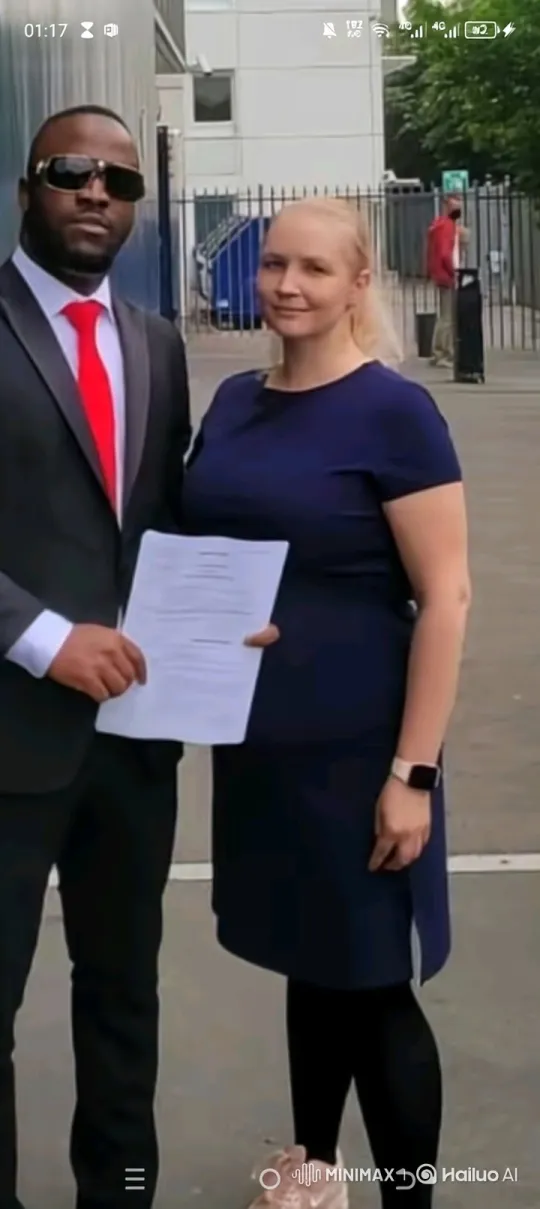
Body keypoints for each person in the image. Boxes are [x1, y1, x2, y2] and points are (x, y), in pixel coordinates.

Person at [0, 104, 276, 1209]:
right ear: (30, 184)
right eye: (73, 172)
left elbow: (156, 522)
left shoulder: (156, 340)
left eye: (120, 182)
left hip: (132, 742)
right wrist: (45, 639)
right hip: (11, 737)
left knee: (124, 993)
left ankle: (119, 1191)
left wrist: (223, 617)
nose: (97, 195)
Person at [182, 197, 471, 1208]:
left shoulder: (393, 410)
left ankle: (408, 1199)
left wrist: (412, 775)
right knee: (313, 963)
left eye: (312, 269)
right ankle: (313, 1171)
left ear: (358, 285)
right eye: (274, 266)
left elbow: (447, 597)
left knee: (374, 984)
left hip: (362, 748)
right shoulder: (233, 403)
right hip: (263, 743)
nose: (286, 286)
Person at [426, 193, 467, 368]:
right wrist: (453, 272)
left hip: (442, 274)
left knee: (445, 316)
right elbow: (445, 253)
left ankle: (439, 352)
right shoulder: (447, 226)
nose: (458, 210)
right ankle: (442, 353)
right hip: (447, 275)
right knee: (448, 318)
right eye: (455, 207)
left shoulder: (444, 225)